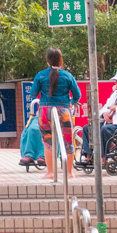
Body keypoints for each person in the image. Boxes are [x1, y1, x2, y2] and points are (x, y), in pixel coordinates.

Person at [27, 48, 81, 180]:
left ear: (47, 61)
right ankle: (69, 173)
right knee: (68, 140)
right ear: (61, 60)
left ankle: (50, 172)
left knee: (48, 141)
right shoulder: (68, 76)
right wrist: (71, 102)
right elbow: (77, 95)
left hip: (46, 110)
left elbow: (33, 93)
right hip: (64, 111)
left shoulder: (40, 75)